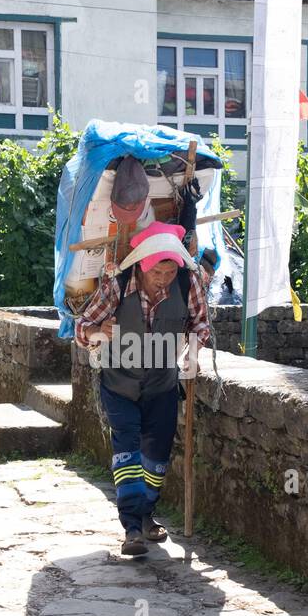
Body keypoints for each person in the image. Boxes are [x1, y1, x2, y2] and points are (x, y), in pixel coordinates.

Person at [75, 221, 210, 557]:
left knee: (156, 454)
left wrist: (193, 352)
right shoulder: (117, 286)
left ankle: (147, 513)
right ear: (142, 265)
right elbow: (82, 329)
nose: (163, 278)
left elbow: (200, 324)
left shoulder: (186, 282)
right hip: (119, 383)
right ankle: (132, 527)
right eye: (156, 272)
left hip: (162, 384)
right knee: (128, 450)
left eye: (168, 271)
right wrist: (100, 331)